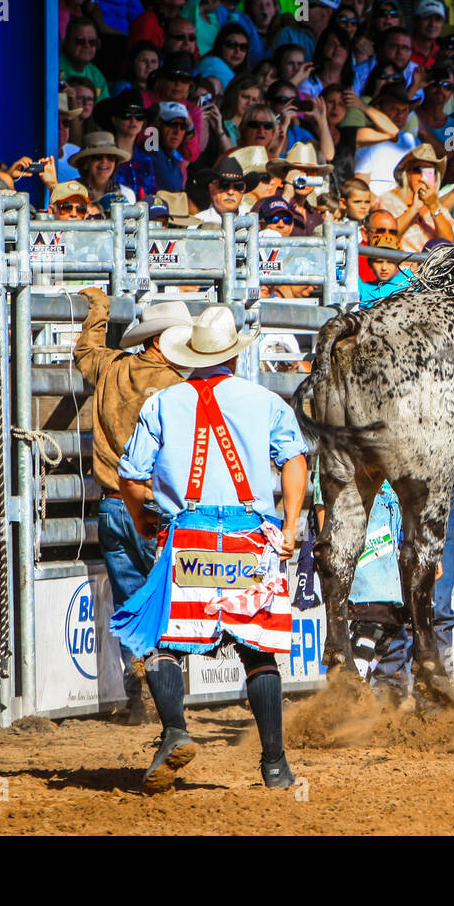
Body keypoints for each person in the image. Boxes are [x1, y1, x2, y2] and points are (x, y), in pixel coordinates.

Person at [113, 305, 307, 792]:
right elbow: (295, 458)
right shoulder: (263, 401)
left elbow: (131, 476)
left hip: (189, 535)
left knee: (164, 642)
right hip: (252, 537)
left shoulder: (163, 402)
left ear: (191, 355)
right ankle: (276, 765)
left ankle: (176, 730)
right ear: (234, 357)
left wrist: (143, 520)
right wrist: (291, 523)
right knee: (258, 650)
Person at [74, 290, 192, 725]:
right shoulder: (179, 389)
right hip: (157, 509)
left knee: (130, 604)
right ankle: (169, 701)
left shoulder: (112, 368)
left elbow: (86, 351)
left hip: (111, 505)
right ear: (162, 341)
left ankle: (137, 694)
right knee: (168, 603)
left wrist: (98, 310)